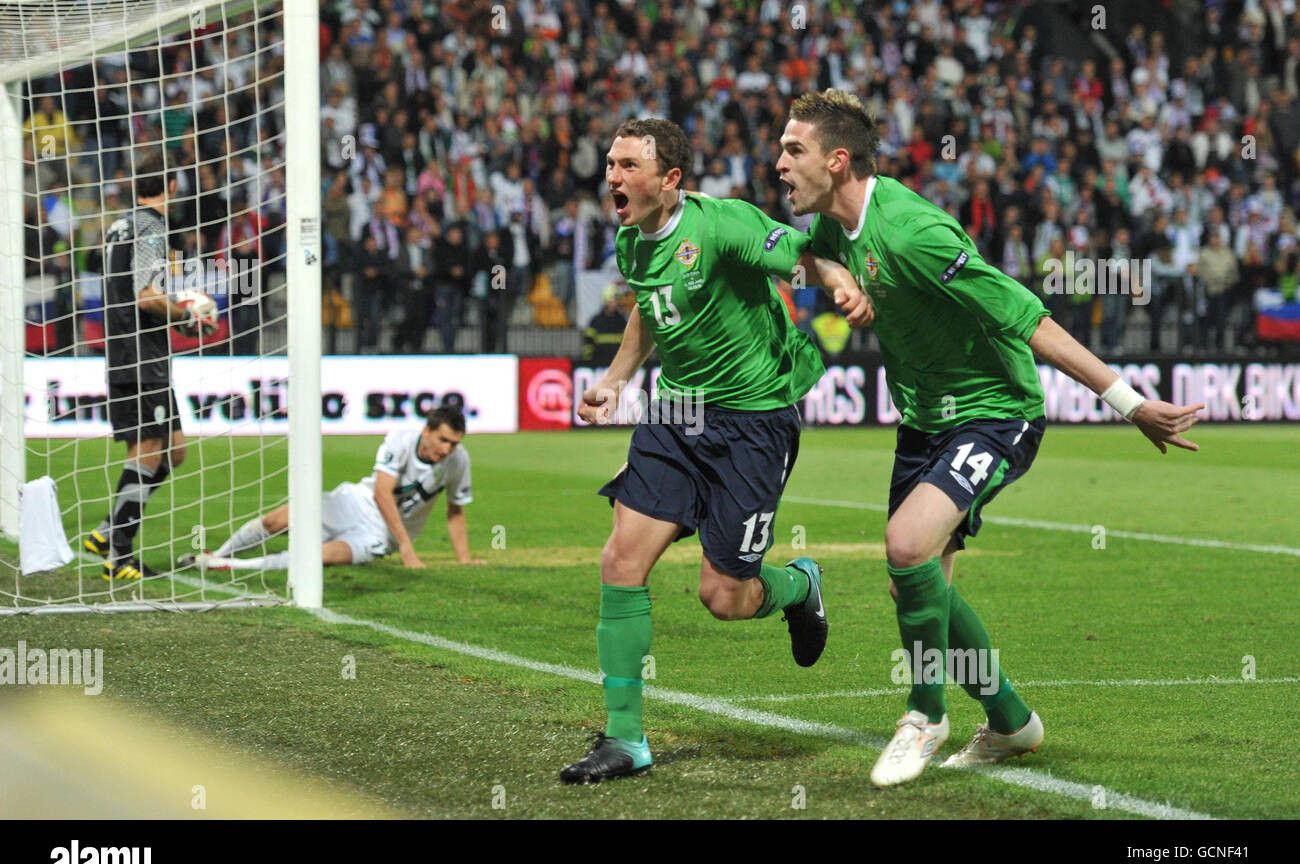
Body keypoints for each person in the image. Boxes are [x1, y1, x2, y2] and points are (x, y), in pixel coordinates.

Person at [775, 89, 1202, 788]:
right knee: (913, 582)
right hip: (924, 417)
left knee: (908, 546)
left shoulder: (914, 231)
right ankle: (1011, 722)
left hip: (996, 409)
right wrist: (834, 275)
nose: (780, 164)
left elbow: (1026, 318)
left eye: (794, 151)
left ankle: (924, 715)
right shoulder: (833, 225)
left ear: (838, 161)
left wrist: (1128, 403)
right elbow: (799, 252)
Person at [559, 118, 871, 784]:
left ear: (671, 180)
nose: (613, 176)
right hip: (675, 412)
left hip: (753, 421)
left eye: (629, 166)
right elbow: (650, 307)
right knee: (620, 559)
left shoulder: (723, 224)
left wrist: (838, 281)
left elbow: (798, 257)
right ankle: (625, 739)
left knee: (724, 597)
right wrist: (616, 378)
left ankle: (798, 586)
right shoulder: (630, 242)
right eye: (611, 164)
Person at [83, 150, 216, 580]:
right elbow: (145, 297)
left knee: (173, 452)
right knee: (147, 452)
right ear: (172, 187)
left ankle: (107, 531)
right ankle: (119, 557)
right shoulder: (152, 229)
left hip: (133, 353)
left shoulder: (120, 225)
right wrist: (186, 313)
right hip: (140, 358)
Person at [180, 404, 483, 571]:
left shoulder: (459, 460)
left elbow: (455, 510)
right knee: (277, 520)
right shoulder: (401, 439)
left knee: (318, 557)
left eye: (454, 443)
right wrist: (407, 547)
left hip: (380, 535)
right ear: (427, 430)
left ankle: (227, 566)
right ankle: (214, 554)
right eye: (443, 440)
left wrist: (464, 557)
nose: (447, 449)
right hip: (357, 503)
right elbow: (381, 492)